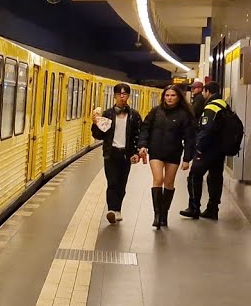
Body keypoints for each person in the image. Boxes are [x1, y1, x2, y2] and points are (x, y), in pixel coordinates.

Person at [136, 85, 195, 229]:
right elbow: (145, 128)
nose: (169, 98)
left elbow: (189, 138)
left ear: (178, 97)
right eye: (167, 95)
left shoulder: (184, 115)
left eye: (173, 95)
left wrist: (187, 158)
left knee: (169, 183)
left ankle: (164, 214)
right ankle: (157, 215)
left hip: (173, 152)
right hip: (155, 151)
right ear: (164, 97)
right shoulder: (156, 112)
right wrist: (142, 145)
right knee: (158, 179)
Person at [90, 83, 143, 224]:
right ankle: (112, 210)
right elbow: (99, 136)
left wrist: (137, 152)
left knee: (121, 183)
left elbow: (138, 136)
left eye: (124, 94)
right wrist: (95, 123)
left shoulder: (134, 116)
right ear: (114, 96)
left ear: (128, 96)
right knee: (112, 182)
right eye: (119, 94)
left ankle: (118, 209)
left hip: (126, 154)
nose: (122, 97)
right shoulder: (108, 114)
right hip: (111, 153)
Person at [183, 82, 230, 220]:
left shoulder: (211, 106)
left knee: (194, 175)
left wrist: (199, 147)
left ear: (207, 91)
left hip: (208, 148)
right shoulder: (223, 104)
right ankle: (212, 209)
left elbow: (206, 129)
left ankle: (194, 207)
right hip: (220, 149)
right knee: (215, 177)